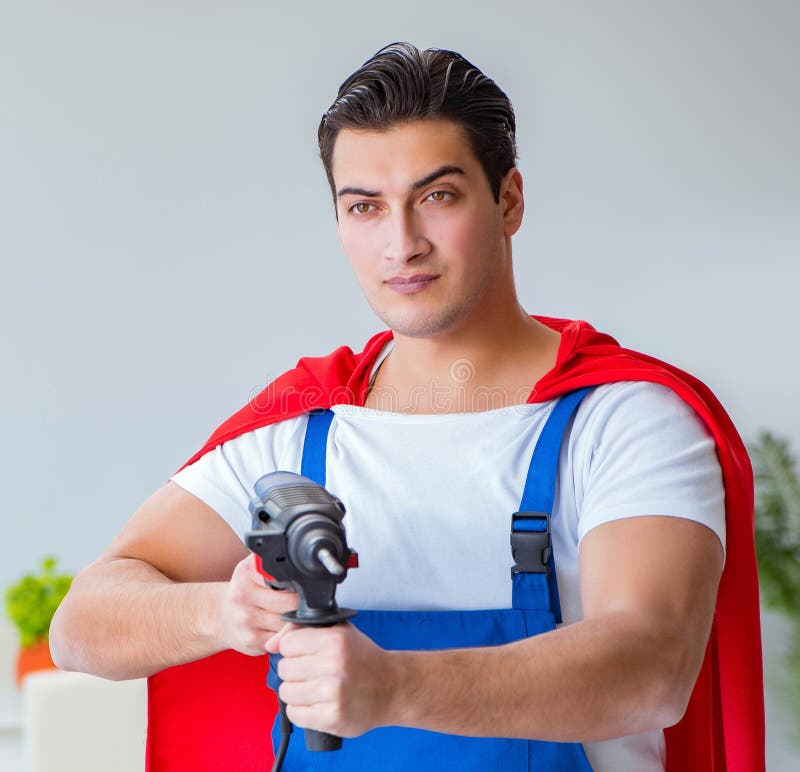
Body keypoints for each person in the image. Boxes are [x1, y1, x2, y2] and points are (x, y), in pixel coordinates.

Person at [50, 42, 764, 771]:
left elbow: (650, 668)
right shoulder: (300, 431)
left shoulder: (624, 420)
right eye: (365, 207)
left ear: (509, 200)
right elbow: (83, 626)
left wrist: (393, 687)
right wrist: (219, 612)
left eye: (437, 196)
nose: (402, 244)